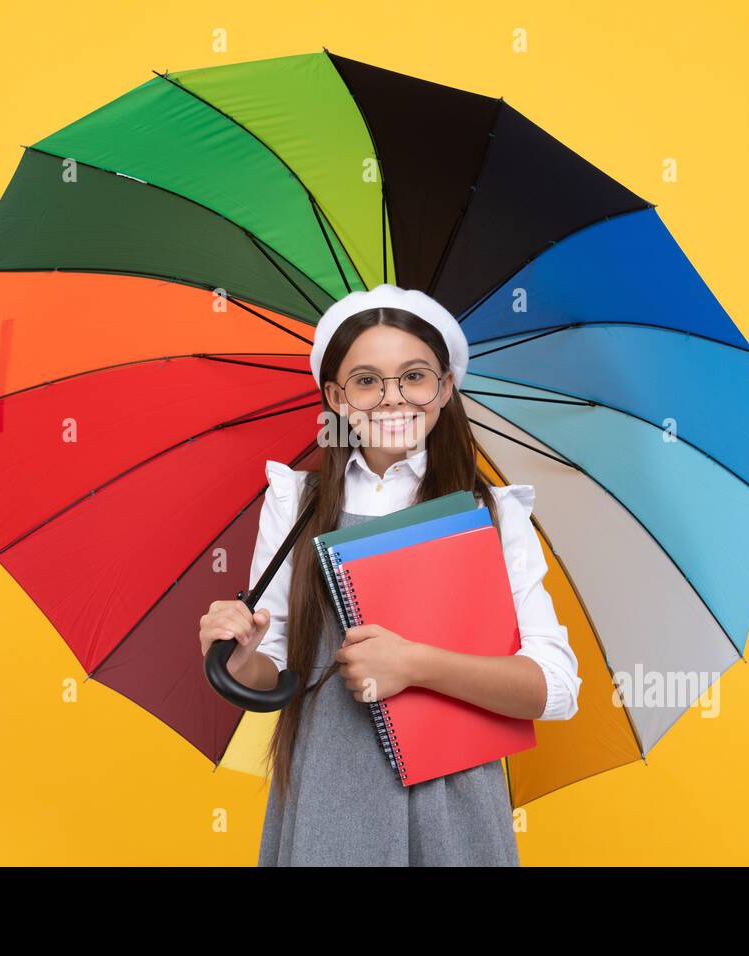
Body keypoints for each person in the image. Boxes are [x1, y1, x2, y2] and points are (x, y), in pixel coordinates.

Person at [198, 284, 582, 866]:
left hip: (454, 802)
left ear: (446, 386)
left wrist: (415, 665)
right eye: (366, 380)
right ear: (336, 395)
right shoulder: (297, 500)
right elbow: (268, 678)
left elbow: (554, 688)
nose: (392, 398)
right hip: (328, 797)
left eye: (415, 376)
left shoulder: (492, 512)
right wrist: (239, 653)